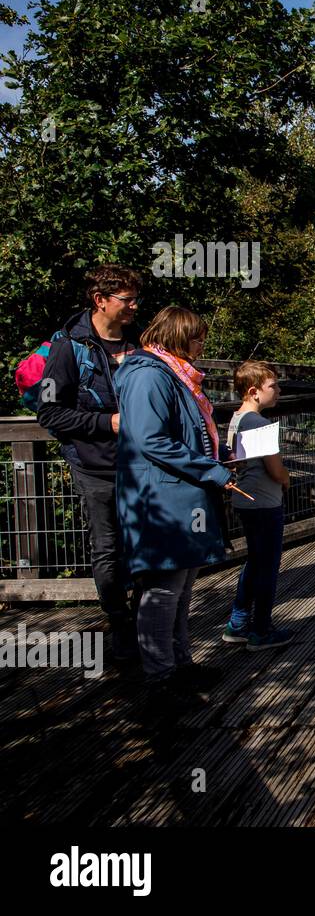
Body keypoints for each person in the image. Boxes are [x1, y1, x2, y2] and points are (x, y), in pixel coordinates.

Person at [115, 306, 238, 715]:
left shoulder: (174, 374)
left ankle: (180, 665)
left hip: (181, 494)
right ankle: (160, 677)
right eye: (197, 338)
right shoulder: (150, 375)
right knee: (163, 589)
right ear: (178, 336)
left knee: (182, 587)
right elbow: (151, 440)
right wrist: (210, 469)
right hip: (161, 499)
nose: (202, 346)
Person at [36, 265, 144, 668]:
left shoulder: (139, 341)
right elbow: (50, 414)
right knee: (109, 549)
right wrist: (107, 423)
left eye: (136, 299)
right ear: (100, 300)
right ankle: (121, 629)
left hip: (141, 465)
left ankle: (148, 626)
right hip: (95, 466)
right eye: (126, 299)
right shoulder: (69, 348)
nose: (134, 306)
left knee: (145, 544)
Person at [220, 360, 293, 651]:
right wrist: (286, 479)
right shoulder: (260, 424)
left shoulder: (237, 418)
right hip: (263, 501)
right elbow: (275, 470)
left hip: (245, 499)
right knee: (267, 566)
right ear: (253, 391)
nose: (278, 390)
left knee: (255, 562)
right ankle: (261, 629)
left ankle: (238, 623)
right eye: (272, 386)